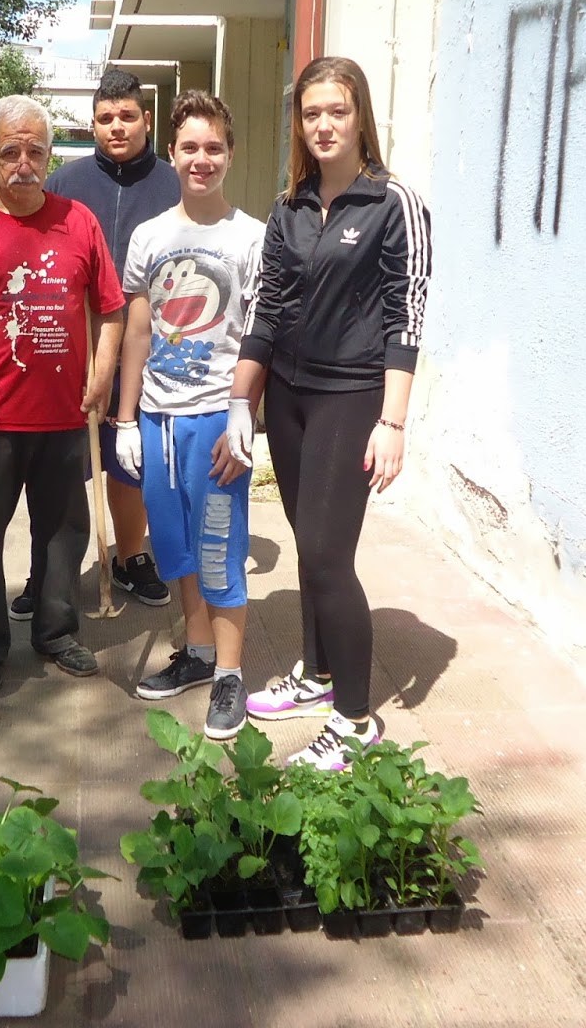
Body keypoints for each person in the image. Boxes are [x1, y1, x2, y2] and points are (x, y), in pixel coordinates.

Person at [227, 57, 433, 770]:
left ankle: (354, 719)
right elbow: (268, 310)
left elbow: (408, 316)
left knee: (324, 554)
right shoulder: (288, 208)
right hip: (287, 395)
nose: (322, 124)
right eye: (311, 112)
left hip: (352, 399)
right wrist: (240, 404)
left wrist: (395, 422)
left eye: (336, 110)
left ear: (359, 116)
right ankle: (315, 676)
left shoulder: (392, 203)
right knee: (306, 539)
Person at [0, 94, 126, 696]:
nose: (23, 163)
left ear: (48, 155)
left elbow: (111, 309)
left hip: (65, 416)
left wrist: (101, 376)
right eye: (10, 151)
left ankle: (56, 631)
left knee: (63, 532)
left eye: (34, 151)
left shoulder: (78, 221)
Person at [114, 91, 265, 740]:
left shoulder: (252, 237)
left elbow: (262, 339)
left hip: (215, 422)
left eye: (214, 148)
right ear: (172, 154)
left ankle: (230, 675)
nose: (201, 159)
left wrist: (244, 416)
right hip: (158, 419)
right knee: (177, 551)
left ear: (230, 155)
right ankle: (199, 655)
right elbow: (138, 334)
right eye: (190, 148)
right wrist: (125, 419)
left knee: (220, 552)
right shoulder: (150, 235)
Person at [5, 68, 180, 620]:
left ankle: (130, 557)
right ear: (93, 124)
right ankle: (48, 570)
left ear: (145, 120)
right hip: (73, 350)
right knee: (61, 471)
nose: (117, 127)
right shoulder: (65, 182)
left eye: (127, 116)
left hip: (150, 350)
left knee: (131, 464)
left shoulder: (174, 184)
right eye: (105, 118)